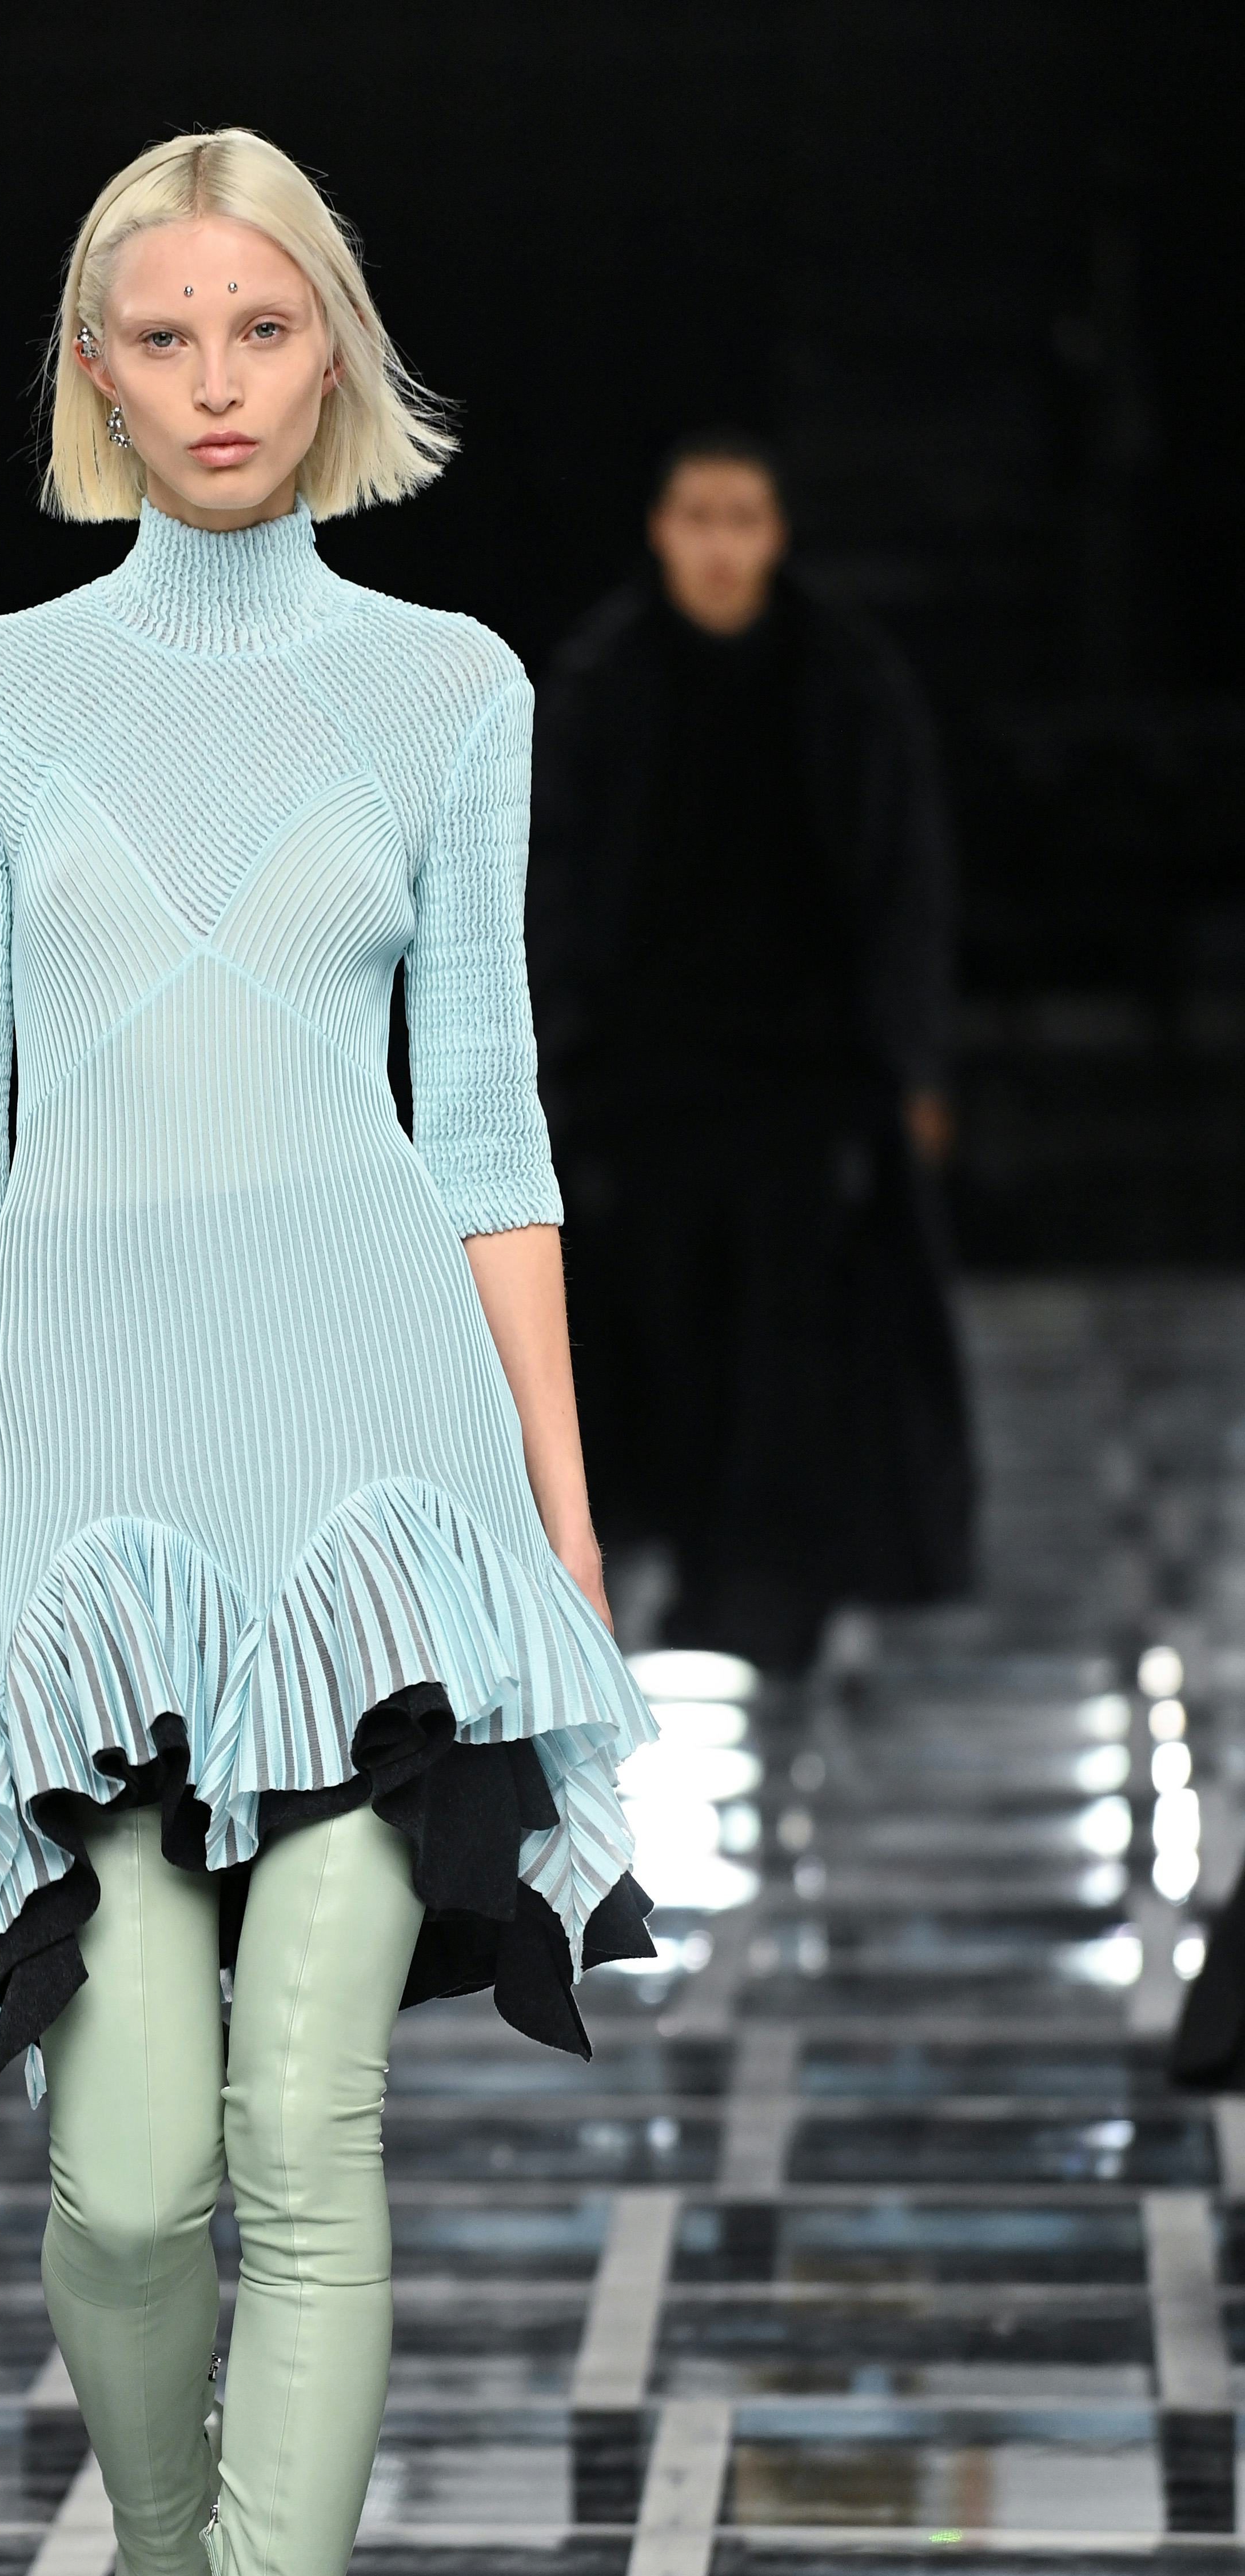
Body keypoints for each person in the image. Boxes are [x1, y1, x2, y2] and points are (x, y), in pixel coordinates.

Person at [0, 129, 652, 2576]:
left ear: (333, 356)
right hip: (92, 1527)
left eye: (257, 330)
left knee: (308, 2124)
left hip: (379, 1507)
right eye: (155, 334)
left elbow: (492, 1124)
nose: (209, 382)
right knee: (127, 2184)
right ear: (91, 367)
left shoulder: (449, 689)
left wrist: (560, 1520)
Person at [526, 433, 975, 1673]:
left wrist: (910, 1061)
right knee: (655, 1336)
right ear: (661, 531)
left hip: (804, 1081)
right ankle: (674, 1574)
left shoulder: (845, 680)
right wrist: (549, 1058)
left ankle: (765, 1595)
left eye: (743, 519)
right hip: (643, 1080)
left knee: (790, 1347)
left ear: (775, 536)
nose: (720, 546)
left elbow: (904, 879)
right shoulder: (602, 683)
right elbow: (548, 883)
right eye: (698, 517)